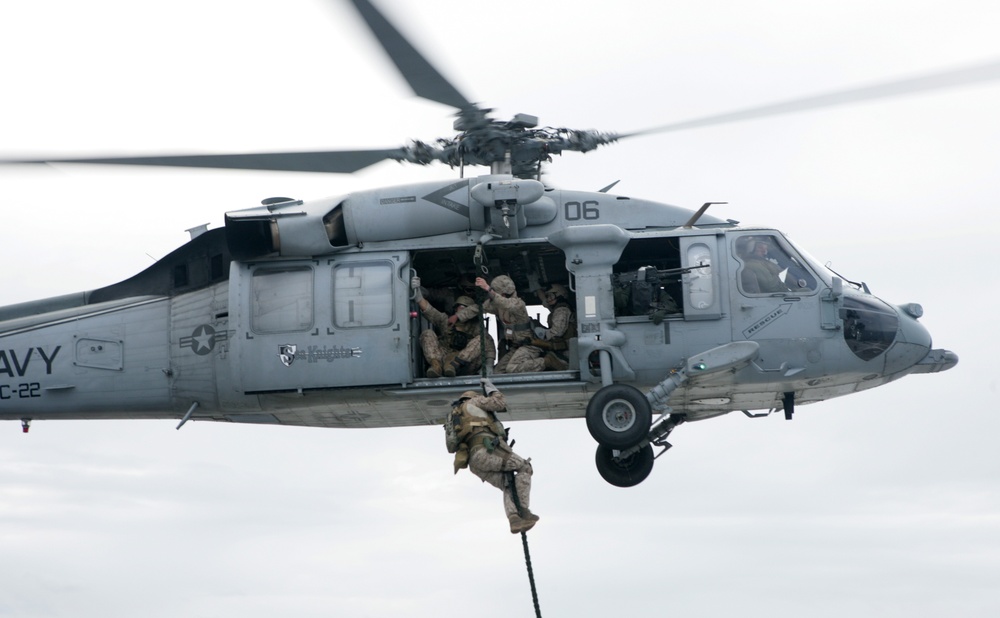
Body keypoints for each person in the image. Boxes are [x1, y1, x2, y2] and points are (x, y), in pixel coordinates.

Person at [445, 378, 538, 534]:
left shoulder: (453, 416)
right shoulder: (475, 402)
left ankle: (514, 519)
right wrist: (491, 388)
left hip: (475, 462)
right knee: (524, 467)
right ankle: (523, 511)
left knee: (508, 484)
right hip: (488, 451)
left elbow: (451, 446)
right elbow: (499, 403)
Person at [412, 276, 495, 377]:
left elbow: (488, 343)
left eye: (465, 308)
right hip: (444, 359)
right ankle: (435, 365)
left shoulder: (476, 326)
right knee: (427, 333)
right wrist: (417, 294)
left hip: (465, 364)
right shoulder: (446, 320)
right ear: (455, 308)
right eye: (459, 307)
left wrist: (488, 365)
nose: (461, 309)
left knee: (483, 339)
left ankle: (454, 365)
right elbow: (429, 310)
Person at [512, 283, 577, 372]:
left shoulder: (562, 310)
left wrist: (541, 333)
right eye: (547, 296)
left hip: (565, 354)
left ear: (559, 296)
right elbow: (545, 302)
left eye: (550, 296)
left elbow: (556, 333)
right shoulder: (557, 309)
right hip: (561, 351)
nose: (548, 299)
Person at [475, 275, 533, 374]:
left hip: (530, 346)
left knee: (511, 369)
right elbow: (479, 308)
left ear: (503, 293)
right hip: (515, 347)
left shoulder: (518, 304)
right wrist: (458, 316)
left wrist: (488, 289)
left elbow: (506, 304)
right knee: (497, 372)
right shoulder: (501, 306)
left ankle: (546, 361)